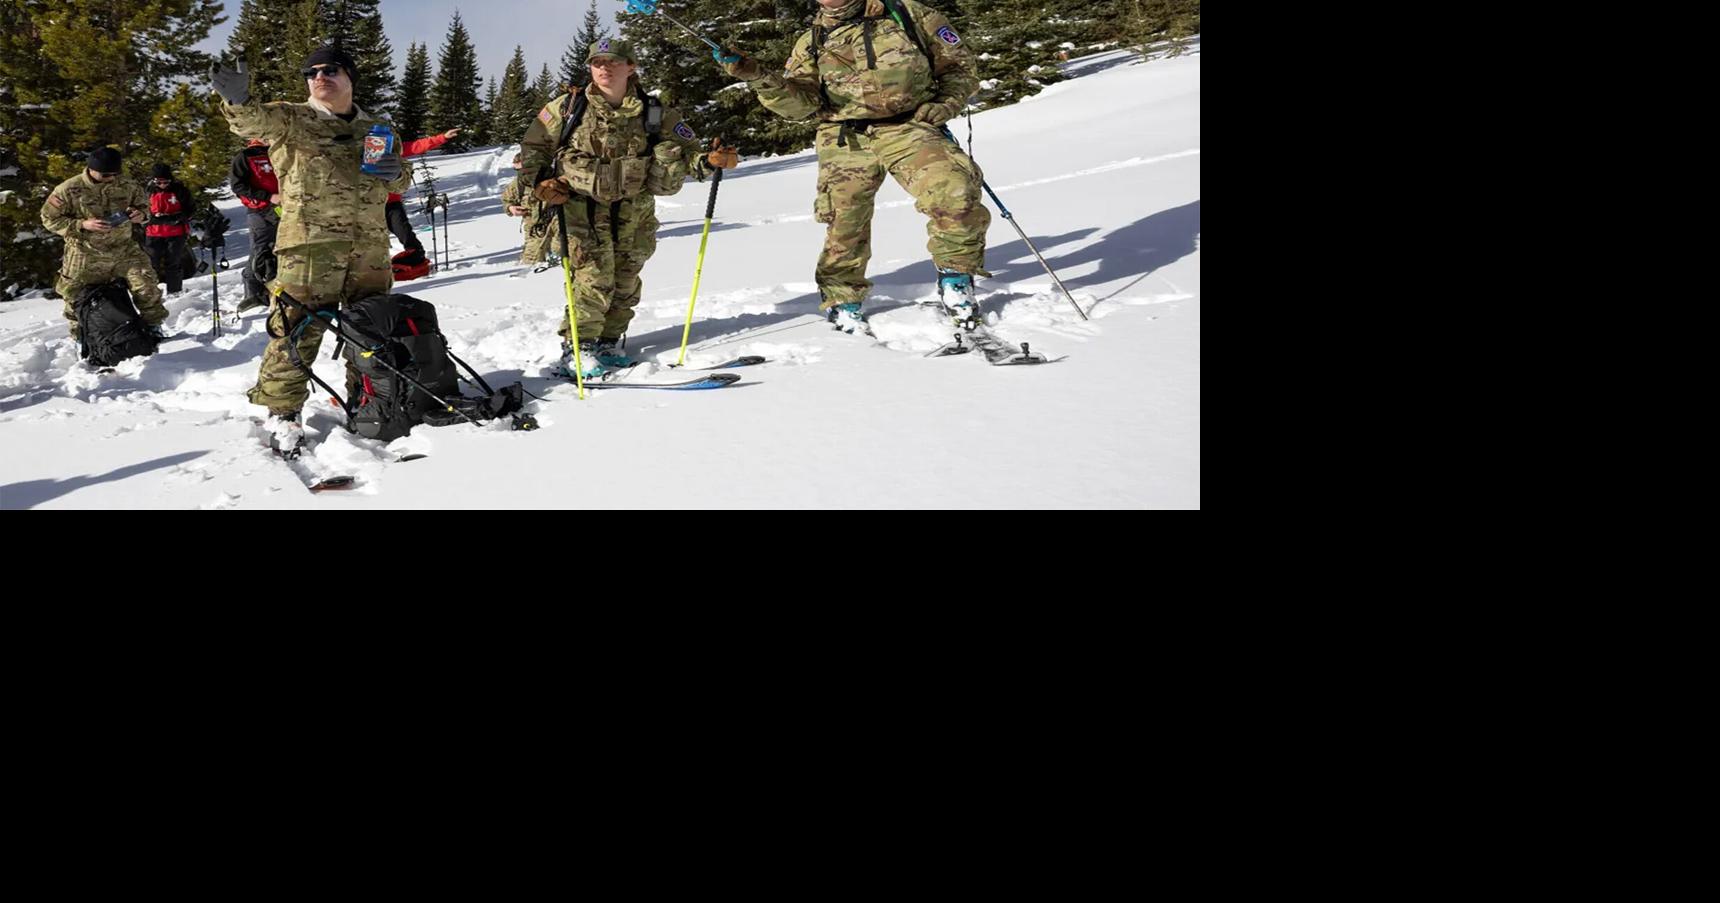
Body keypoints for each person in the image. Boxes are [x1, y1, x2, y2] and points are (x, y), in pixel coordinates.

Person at [706, 0, 989, 333]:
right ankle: (842, 299)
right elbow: (800, 105)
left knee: (956, 192)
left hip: (910, 126)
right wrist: (756, 76)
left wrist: (946, 103)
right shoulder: (811, 40)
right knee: (843, 220)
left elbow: (959, 67)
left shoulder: (909, 15)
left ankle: (956, 278)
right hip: (844, 135)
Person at [209, 45, 412, 456]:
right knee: (295, 331)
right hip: (308, 247)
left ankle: (368, 397)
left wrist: (397, 172)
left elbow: (399, 182)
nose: (320, 76)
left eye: (331, 69)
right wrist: (236, 100)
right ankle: (283, 412)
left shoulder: (378, 127)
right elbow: (252, 119)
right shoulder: (290, 117)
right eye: (312, 71)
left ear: (350, 76)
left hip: (368, 247)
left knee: (370, 330)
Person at [520, 38, 739, 377]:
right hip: (582, 208)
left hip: (634, 211)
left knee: (625, 281)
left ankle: (608, 343)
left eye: (613, 61)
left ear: (631, 66)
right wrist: (540, 184)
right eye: (597, 62)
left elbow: (689, 154)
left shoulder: (655, 112)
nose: (604, 68)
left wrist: (711, 162)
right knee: (593, 280)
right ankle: (578, 349)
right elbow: (533, 148)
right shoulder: (567, 108)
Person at [38, 146, 168, 343]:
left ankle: (153, 328)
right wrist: (82, 224)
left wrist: (140, 216)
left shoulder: (127, 184)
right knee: (74, 296)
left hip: (123, 249)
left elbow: (144, 209)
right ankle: (80, 338)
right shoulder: (68, 189)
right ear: (91, 169)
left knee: (146, 284)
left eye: (115, 174)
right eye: (106, 174)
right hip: (85, 253)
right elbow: (49, 219)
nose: (111, 178)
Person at [387, 127, 461, 254]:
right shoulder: (360, 155)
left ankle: (417, 256)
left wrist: (443, 137)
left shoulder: (395, 150)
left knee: (403, 231)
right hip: (367, 205)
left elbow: (418, 145)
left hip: (391, 203)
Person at [228, 138, 280, 313]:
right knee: (259, 249)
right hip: (259, 210)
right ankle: (252, 292)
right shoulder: (244, 156)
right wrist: (267, 196)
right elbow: (237, 186)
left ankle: (275, 289)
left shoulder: (277, 151)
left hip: (283, 209)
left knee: (281, 248)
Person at [143, 163, 195, 295]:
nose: (163, 185)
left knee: (173, 262)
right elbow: (141, 210)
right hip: (153, 232)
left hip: (176, 232)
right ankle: (151, 293)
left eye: (166, 182)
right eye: (159, 182)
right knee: (151, 263)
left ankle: (175, 291)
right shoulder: (148, 191)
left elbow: (190, 210)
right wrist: (151, 218)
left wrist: (176, 217)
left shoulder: (179, 190)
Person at [501, 152, 556, 269]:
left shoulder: (555, 178)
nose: (521, 174)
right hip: (535, 232)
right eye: (517, 171)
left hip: (559, 229)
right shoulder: (518, 184)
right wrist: (511, 208)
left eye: (522, 170)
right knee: (530, 263)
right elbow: (507, 200)